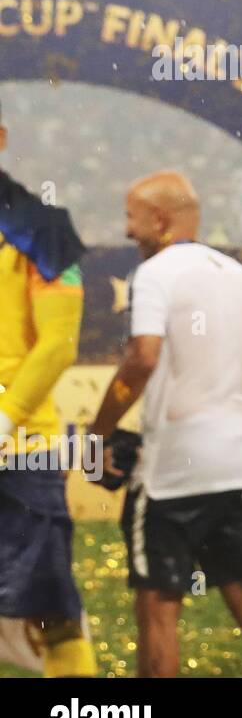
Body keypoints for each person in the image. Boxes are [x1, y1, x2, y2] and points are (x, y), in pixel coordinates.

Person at [86, 171, 242, 677]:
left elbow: (142, 359)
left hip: (171, 474)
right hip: (239, 468)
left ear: (160, 220)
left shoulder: (156, 274)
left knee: (158, 610)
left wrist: (96, 436)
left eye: (131, 220)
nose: (128, 232)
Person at [0, 99, 96, 677]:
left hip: (20, 455)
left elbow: (59, 345)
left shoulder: (44, 231)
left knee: (52, 614)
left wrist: (6, 417)